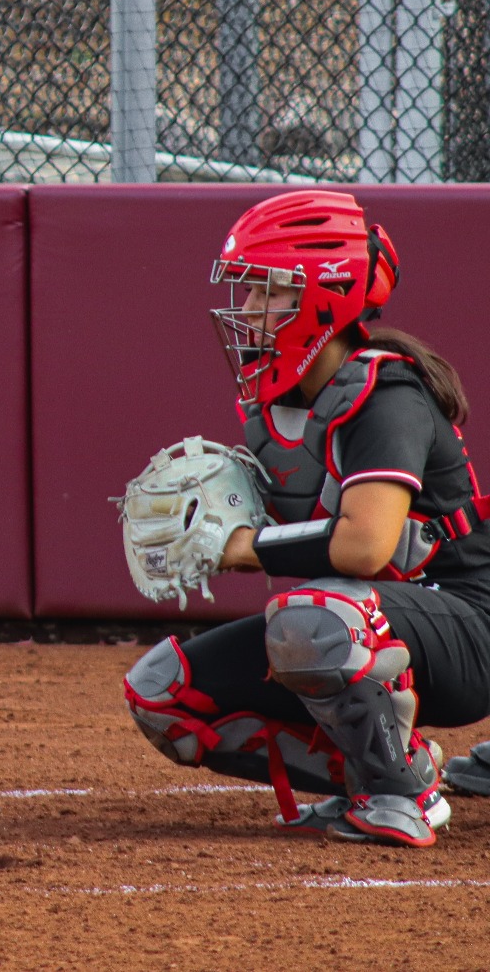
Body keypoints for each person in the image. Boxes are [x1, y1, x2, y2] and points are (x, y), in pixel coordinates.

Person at [123, 189, 490, 847]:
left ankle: (400, 798)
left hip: (470, 625)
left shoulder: (386, 393)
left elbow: (364, 546)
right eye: (247, 289)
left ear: (327, 296)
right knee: (163, 693)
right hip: (377, 627)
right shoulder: (279, 405)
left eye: (268, 290)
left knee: (312, 616)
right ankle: (391, 767)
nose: (248, 309)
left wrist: (242, 545)